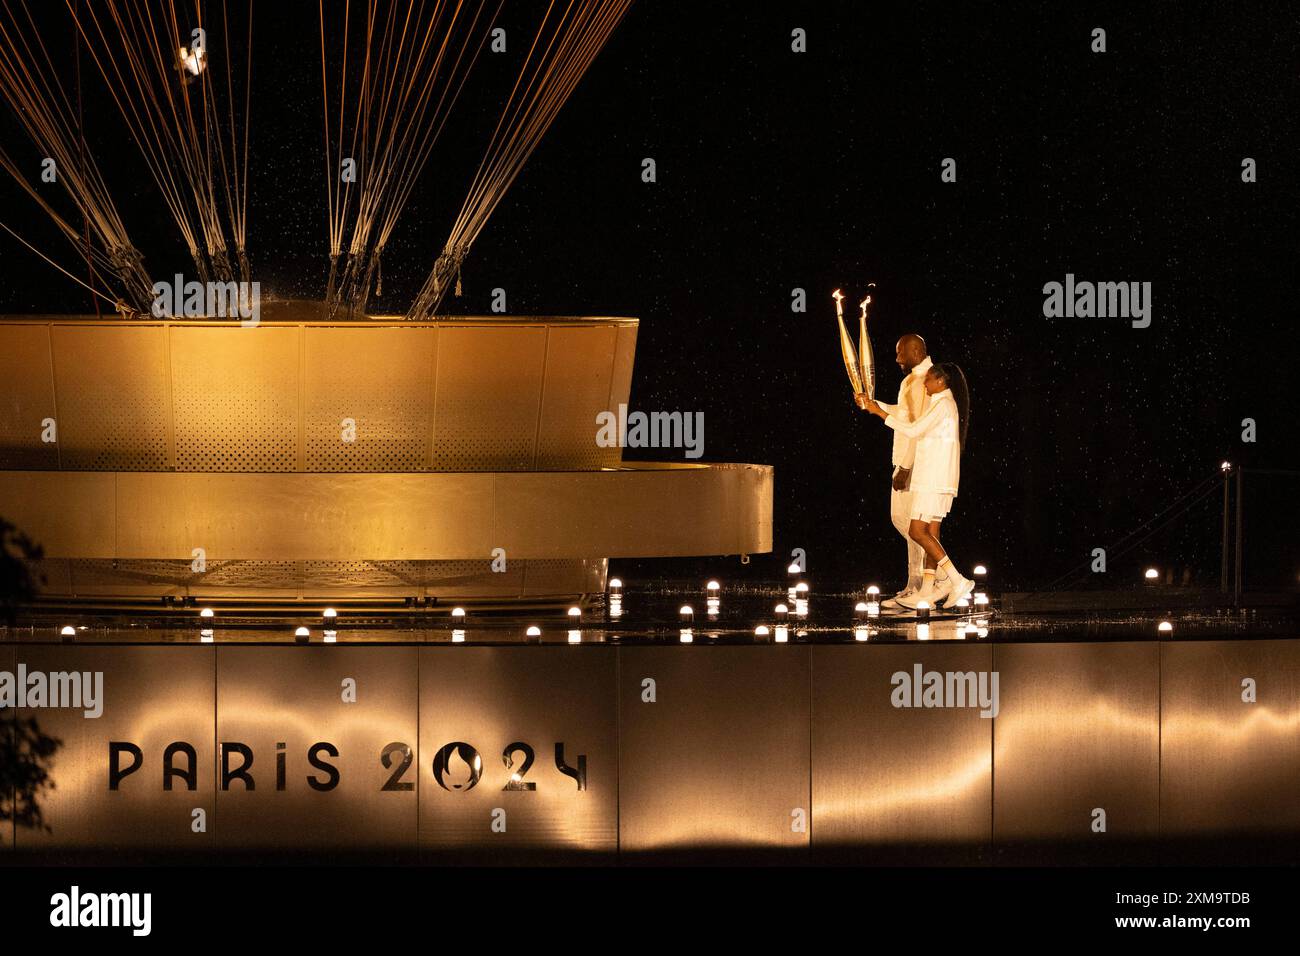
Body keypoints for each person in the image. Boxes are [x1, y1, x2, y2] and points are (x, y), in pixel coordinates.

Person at [861, 362, 975, 610]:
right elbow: (907, 417)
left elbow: (913, 430)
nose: (925, 383)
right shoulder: (941, 403)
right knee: (931, 533)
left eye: (929, 380)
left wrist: (880, 414)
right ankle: (927, 590)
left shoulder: (943, 404)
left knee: (917, 532)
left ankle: (955, 580)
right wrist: (875, 405)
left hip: (932, 480)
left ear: (941, 382)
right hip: (939, 480)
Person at [855, 333, 930, 609]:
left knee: (913, 526)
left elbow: (918, 427)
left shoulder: (923, 380)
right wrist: (876, 407)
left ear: (915, 350)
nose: (897, 358)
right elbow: (903, 415)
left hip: (912, 464)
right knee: (905, 522)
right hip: (904, 462)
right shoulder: (912, 379)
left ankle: (931, 581)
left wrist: (906, 467)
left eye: (901, 353)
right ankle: (917, 584)